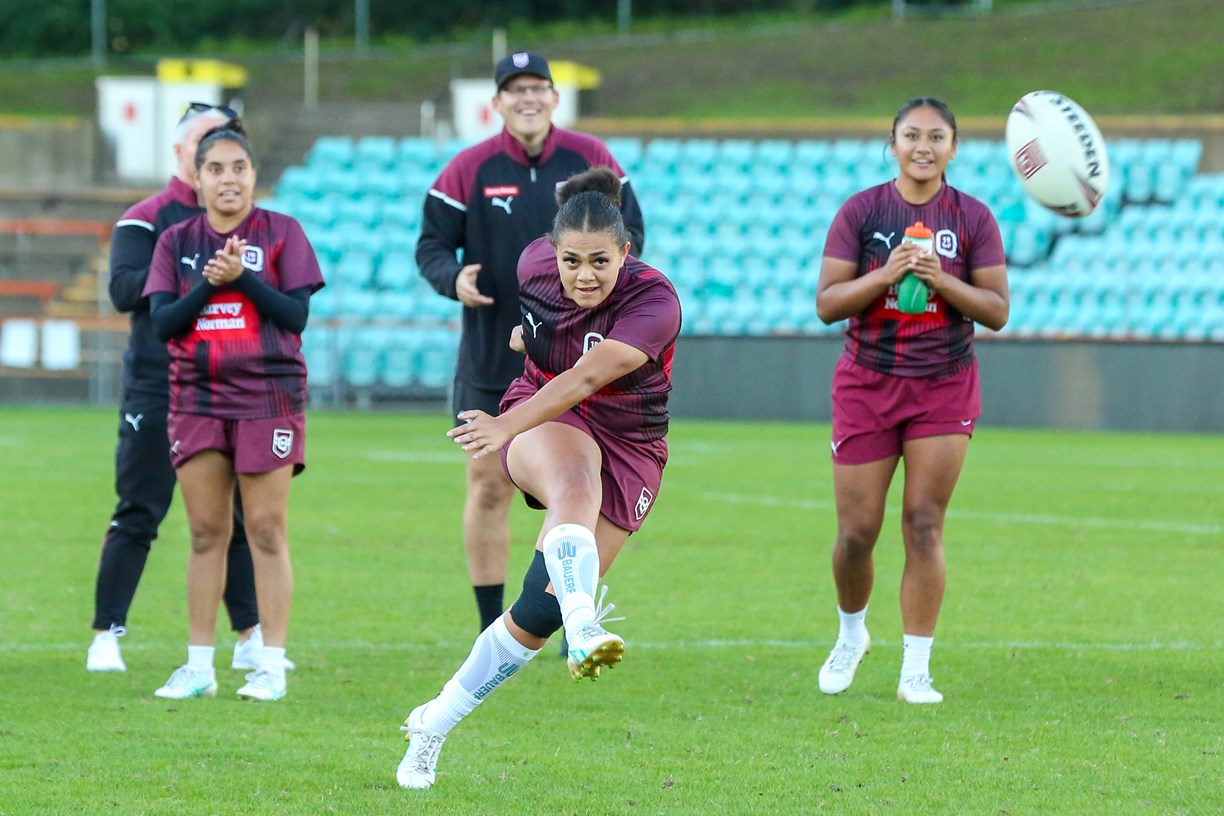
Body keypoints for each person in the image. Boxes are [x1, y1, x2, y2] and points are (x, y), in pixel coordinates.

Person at [396, 166, 680, 790]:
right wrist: (513, 413)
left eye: (600, 261)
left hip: (631, 440)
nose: (584, 275)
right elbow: (558, 369)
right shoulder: (530, 267)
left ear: (626, 252)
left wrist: (507, 414)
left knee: (533, 614)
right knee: (574, 487)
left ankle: (431, 724)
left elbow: (587, 374)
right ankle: (586, 625)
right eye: (572, 260)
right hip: (549, 410)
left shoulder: (656, 302)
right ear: (552, 252)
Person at [415, 51, 646, 636]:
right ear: (496, 103)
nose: (527, 98)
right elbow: (431, 247)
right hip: (494, 355)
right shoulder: (467, 168)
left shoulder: (593, 159)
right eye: (514, 89)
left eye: (537, 87)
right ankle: (493, 625)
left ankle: (553, 610)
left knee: (577, 486)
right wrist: (452, 278)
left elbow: (633, 238)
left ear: (553, 97)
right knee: (488, 485)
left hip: (581, 358)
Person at [813, 97, 1009, 704]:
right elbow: (827, 303)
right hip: (867, 382)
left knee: (924, 523)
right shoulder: (863, 210)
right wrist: (887, 273)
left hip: (944, 383)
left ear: (954, 147)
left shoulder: (972, 218)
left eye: (937, 136)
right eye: (911, 134)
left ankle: (915, 667)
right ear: (892, 142)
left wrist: (940, 280)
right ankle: (852, 634)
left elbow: (998, 311)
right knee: (856, 535)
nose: (923, 145)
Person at [87, 102, 292, 676]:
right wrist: (191, 275)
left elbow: (289, 301)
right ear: (185, 156)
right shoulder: (150, 220)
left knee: (238, 519)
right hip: (161, 387)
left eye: (234, 150)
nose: (223, 165)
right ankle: (107, 632)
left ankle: (250, 634)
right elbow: (126, 290)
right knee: (141, 507)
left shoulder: (262, 227)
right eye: (209, 146)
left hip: (240, 391)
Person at [143, 120, 324, 701]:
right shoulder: (176, 242)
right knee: (204, 532)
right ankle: (199, 666)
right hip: (195, 397)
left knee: (267, 530)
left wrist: (242, 277)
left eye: (238, 168)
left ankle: (270, 665)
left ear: (254, 176)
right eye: (215, 169)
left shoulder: (281, 233)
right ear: (196, 178)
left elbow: (294, 316)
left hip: (268, 397)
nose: (228, 179)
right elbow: (163, 323)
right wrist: (207, 286)